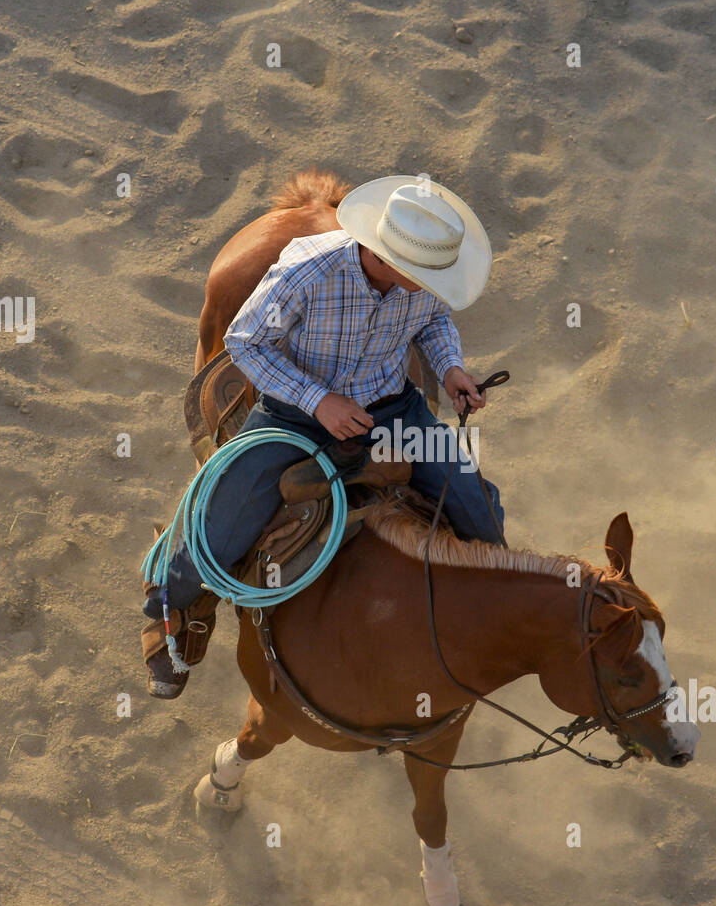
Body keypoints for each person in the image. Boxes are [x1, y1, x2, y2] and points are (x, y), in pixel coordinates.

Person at [142, 176, 503, 697]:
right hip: (296, 413)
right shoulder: (307, 268)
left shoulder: (418, 285)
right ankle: (167, 610)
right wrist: (319, 402)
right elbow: (246, 343)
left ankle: (487, 617)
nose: (430, 287)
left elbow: (434, 323)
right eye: (423, 276)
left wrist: (450, 370)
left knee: (479, 507)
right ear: (384, 255)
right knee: (222, 519)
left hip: (393, 408)